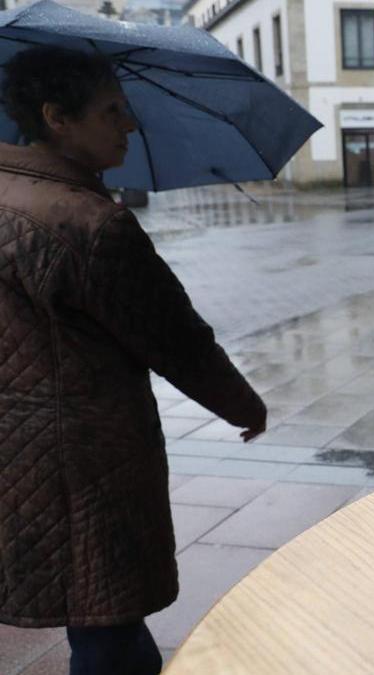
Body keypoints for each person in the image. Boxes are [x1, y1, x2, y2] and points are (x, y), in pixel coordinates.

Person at [0, 46, 267, 674]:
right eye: (111, 110)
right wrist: (243, 405)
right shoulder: (91, 225)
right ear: (56, 118)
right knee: (105, 618)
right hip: (87, 458)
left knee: (91, 612)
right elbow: (177, 341)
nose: (130, 124)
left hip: (16, 449)